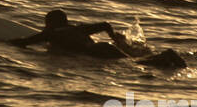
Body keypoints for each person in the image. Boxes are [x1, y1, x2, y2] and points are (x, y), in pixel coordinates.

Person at [11, 9, 186, 70]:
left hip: (97, 52)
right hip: (105, 47)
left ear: (51, 24)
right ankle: (167, 58)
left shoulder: (52, 33)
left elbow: (24, 43)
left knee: (137, 65)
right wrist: (116, 39)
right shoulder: (77, 28)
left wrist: (7, 43)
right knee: (135, 62)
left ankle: (167, 56)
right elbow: (105, 24)